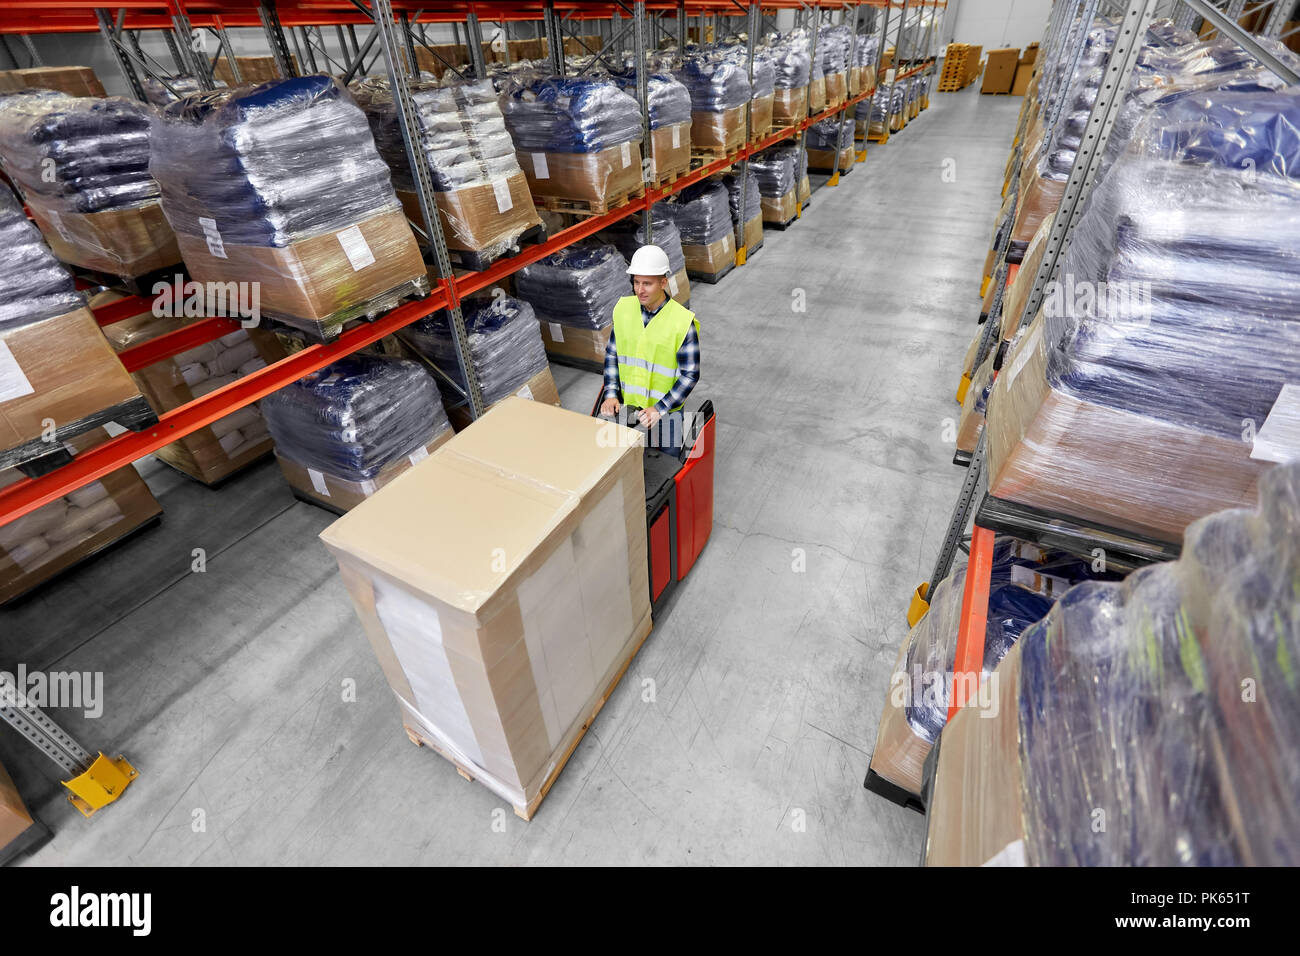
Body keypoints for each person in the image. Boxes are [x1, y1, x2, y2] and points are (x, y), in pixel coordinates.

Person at [600, 244, 700, 458]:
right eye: (636, 282)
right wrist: (610, 394)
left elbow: (690, 374)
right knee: (631, 461)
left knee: (667, 466)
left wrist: (659, 408)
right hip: (629, 406)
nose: (640, 290)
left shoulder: (682, 322)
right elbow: (612, 355)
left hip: (666, 413)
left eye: (647, 283)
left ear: (663, 282)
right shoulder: (624, 310)